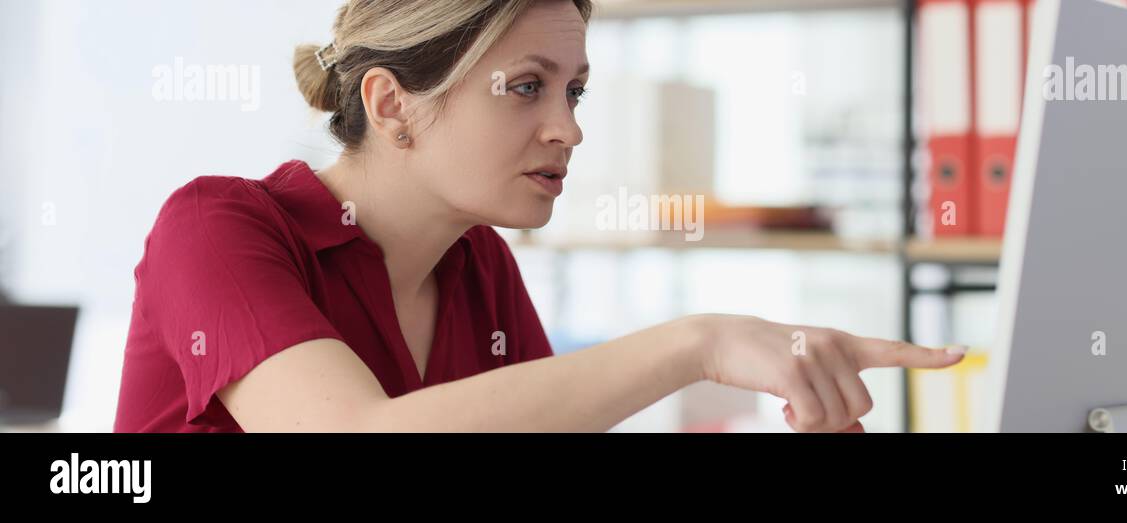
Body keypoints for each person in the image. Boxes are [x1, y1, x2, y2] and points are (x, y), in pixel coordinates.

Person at [113, 0, 966, 433]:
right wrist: (698, 342)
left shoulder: (478, 265)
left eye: (575, 89)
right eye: (527, 87)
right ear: (392, 103)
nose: (569, 128)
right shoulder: (217, 226)